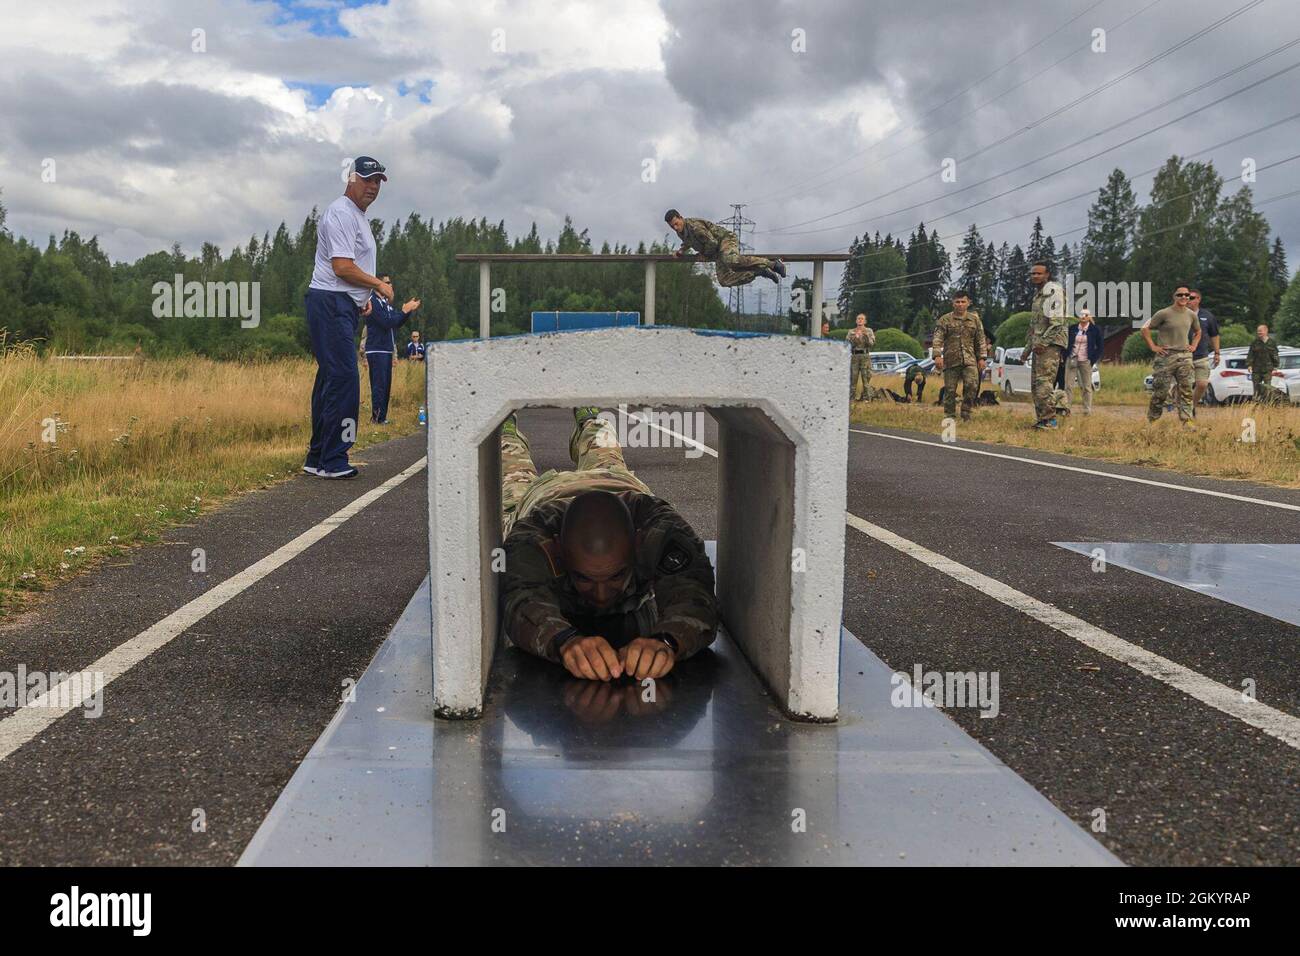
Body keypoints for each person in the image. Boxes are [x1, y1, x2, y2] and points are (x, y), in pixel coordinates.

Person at [501, 408, 719, 682]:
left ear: (638, 545)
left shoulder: (660, 531)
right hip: (545, 497)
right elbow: (518, 598)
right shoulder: (533, 537)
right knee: (512, 477)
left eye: (616, 576)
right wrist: (562, 640)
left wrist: (668, 641)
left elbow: (695, 594)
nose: (602, 595)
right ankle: (505, 430)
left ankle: (591, 416)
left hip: (614, 483)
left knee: (606, 454)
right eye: (585, 578)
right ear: (558, 552)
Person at [303, 156, 392, 479]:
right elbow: (342, 267)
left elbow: (349, 267)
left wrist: (363, 299)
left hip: (342, 303)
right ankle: (334, 459)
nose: (372, 186)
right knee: (344, 379)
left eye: (378, 181)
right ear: (350, 178)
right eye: (367, 179)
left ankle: (317, 456)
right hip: (330, 303)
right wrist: (378, 285)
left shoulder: (357, 216)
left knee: (330, 379)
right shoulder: (341, 212)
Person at [664, 209, 786, 286]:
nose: (675, 227)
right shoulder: (680, 231)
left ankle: (773, 264)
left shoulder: (695, 227)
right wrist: (681, 250)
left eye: (676, 224)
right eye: (672, 226)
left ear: (681, 217)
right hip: (715, 251)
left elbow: (712, 242)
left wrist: (704, 255)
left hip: (724, 240)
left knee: (731, 260)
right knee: (724, 280)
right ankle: (758, 271)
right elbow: (689, 241)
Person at [364, 276, 421, 424]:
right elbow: (387, 322)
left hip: (386, 349)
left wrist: (406, 311)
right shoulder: (373, 301)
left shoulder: (385, 303)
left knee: (386, 386)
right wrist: (404, 310)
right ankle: (376, 418)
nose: (390, 285)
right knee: (379, 386)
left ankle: (382, 418)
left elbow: (396, 321)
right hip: (377, 349)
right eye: (387, 283)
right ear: (378, 284)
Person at [1143, 285, 1200, 424]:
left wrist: (1194, 346)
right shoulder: (1163, 313)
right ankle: (1153, 420)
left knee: (1186, 390)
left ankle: (1187, 421)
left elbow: (1198, 332)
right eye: (1180, 295)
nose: (1184, 297)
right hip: (1166, 357)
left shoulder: (1191, 314)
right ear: (1174, 296)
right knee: (1161, 392)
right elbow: (1145, 329)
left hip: (1185, 356)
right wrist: (1153, 346)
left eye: (1187, 295)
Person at [1025, 261, 1068, 429]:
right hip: (1039, 345)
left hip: (1050, 344)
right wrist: (1027, 349)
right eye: (1033, 274)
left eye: (1039, 273)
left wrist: (1043, 343)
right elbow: (1035, 326)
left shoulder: (1054, 293)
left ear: (1047, 275)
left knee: (1044, 383)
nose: (1035, 276)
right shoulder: (1038, 295)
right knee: (1036, 385)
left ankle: (1051, 420)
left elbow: (1057, 323)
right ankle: (1042, 420)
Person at [932, 290, 986, 421]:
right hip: (951, 360)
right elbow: (937, 338)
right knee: (950, 390)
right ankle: (949, 415)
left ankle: (966, 411)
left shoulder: (974, 320)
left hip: (970, 359)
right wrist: (937, 355)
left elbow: (980, 339)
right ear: (953, 303)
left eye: (963, 302)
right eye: (957, 302)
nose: (960, 304)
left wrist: (982, 358)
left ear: (968, 303)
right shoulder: (945, 320)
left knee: (972, 385)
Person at [1187, 289, 1221, 408]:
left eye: (1191, 298)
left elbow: (1214, 335)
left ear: (1198, 299)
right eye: (1186, 297)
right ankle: (1183, 408)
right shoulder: (1180, 314)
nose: (1188, 300)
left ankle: (1192, 406)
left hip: (1201, 355)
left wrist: (1217, 353)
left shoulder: (1207, 316)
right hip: (1183, 356)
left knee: (1202, 384)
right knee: (1183, 386)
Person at [1065, 308, 1102, 415]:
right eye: (1081, 315)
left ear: (1089, 316)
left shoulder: (1094, 330)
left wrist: (1092, 359)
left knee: (1086, 386)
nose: (1083, 317)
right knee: (1068, 385)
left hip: (1085, 360)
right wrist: (1065, 355)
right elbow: (1066, 343)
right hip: (1072, 359)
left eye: (1086, 315)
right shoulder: (1072, 328)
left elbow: (1100, 347)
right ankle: (1067, 408)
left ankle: (1087, 410)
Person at [1246, 324, 1281, 403]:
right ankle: (1256, 404)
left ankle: (1267, 404)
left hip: (1267, 370)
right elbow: (1250, 354)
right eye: (1258, 331)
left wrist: (1276, 366)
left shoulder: (1272, 342)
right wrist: (1249, 365)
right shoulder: (1255, 342)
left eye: (1260, 331)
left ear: (1266, 331)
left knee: (1267, 387)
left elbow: (1275, 355)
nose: (1259, 333)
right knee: (1256, 387)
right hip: (1256, 369)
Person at [847, 313, 876, 401]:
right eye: (858, 318)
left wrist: (866, 336)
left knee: (866, 376)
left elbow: (871, 344)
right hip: (855, 356)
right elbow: (847, 344)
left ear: (865, 321)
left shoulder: (869, 330)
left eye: (862, 319)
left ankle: (866, 397)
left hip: (865, 355)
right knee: (853, 377)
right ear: (856, 321)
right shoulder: (851, 331)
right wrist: (855, 338)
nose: (860, 320)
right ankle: (851, 398)